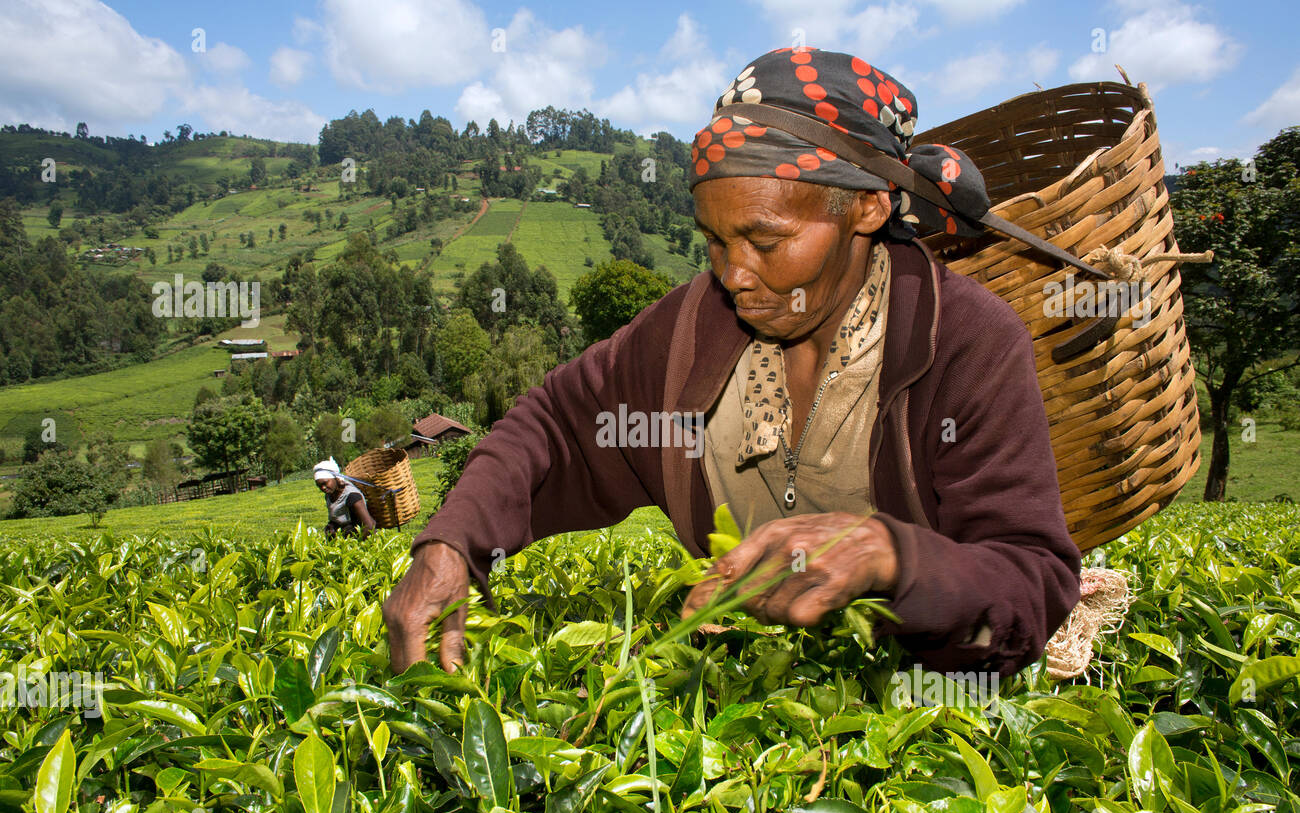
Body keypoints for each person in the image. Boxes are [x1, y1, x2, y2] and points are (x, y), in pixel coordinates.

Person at [383, 48, 1082, 678]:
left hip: (908, 723)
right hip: (745, 710)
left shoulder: (964, 341)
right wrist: (454, 543)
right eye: (715, 241)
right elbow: (556, 428)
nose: (734, 275)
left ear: (866, 208)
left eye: (765, 241)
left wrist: (890, 554)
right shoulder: (692, 329)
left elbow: (1032, 576)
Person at [314, 458, 376, 539]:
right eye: (319, 486)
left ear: (335, 478)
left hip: (354, 536)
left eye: (325, 483)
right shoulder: (329, 494)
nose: (323, 488)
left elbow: (369, 526)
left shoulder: (352, 496)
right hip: (342, 535)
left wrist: (358, 545)